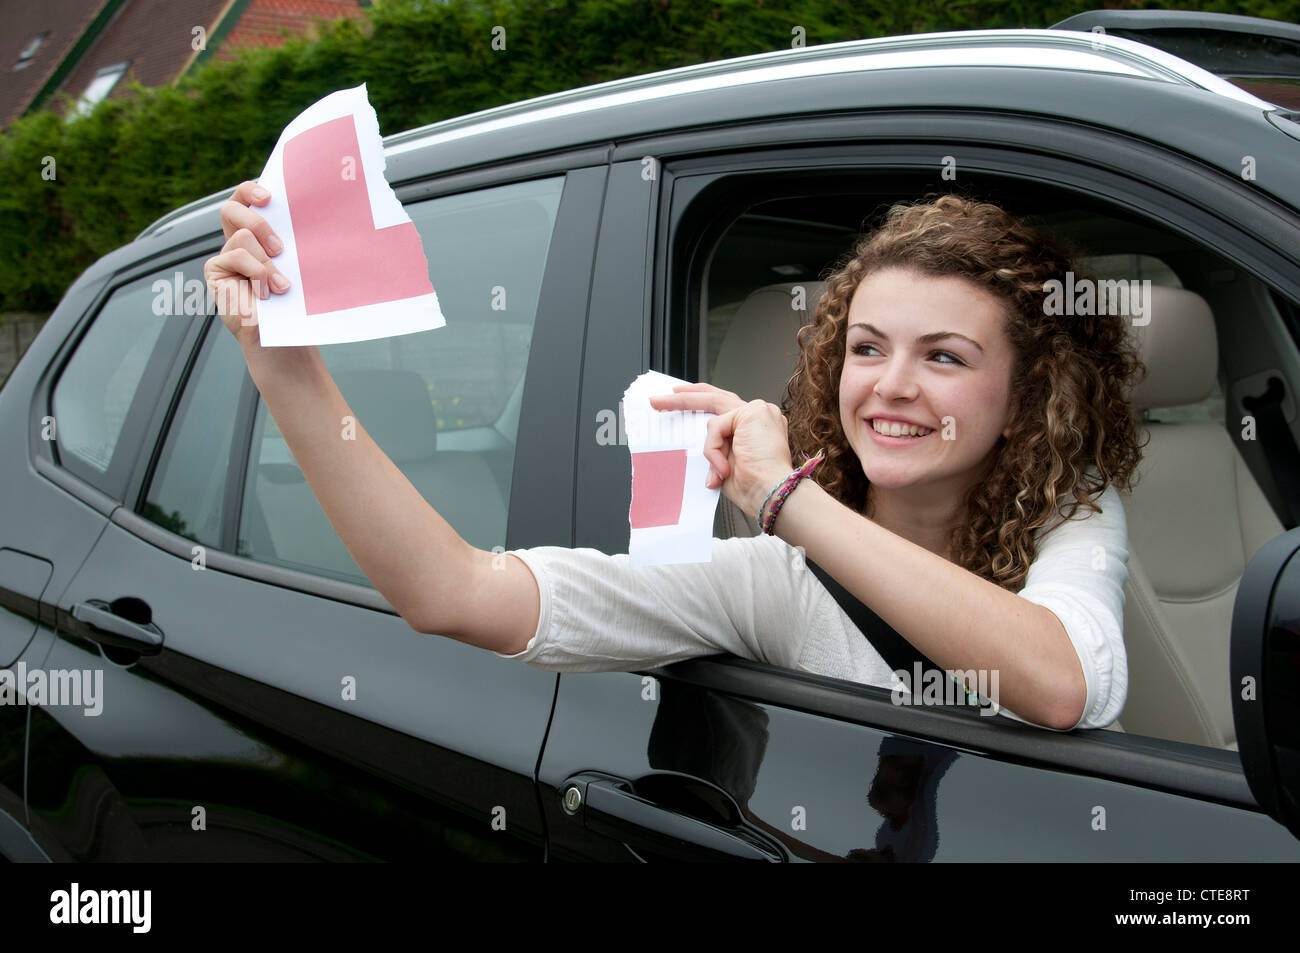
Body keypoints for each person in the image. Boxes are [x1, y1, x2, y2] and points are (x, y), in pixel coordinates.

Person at [205, 188, 1144, 732]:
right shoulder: (769, 580)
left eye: (944, 356)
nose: (891, 385)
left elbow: (1061, 683)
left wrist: (789, 499)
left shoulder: (1073, 516)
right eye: (866, 347)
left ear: (1025, 396)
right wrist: (285, 370)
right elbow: (454, 593)